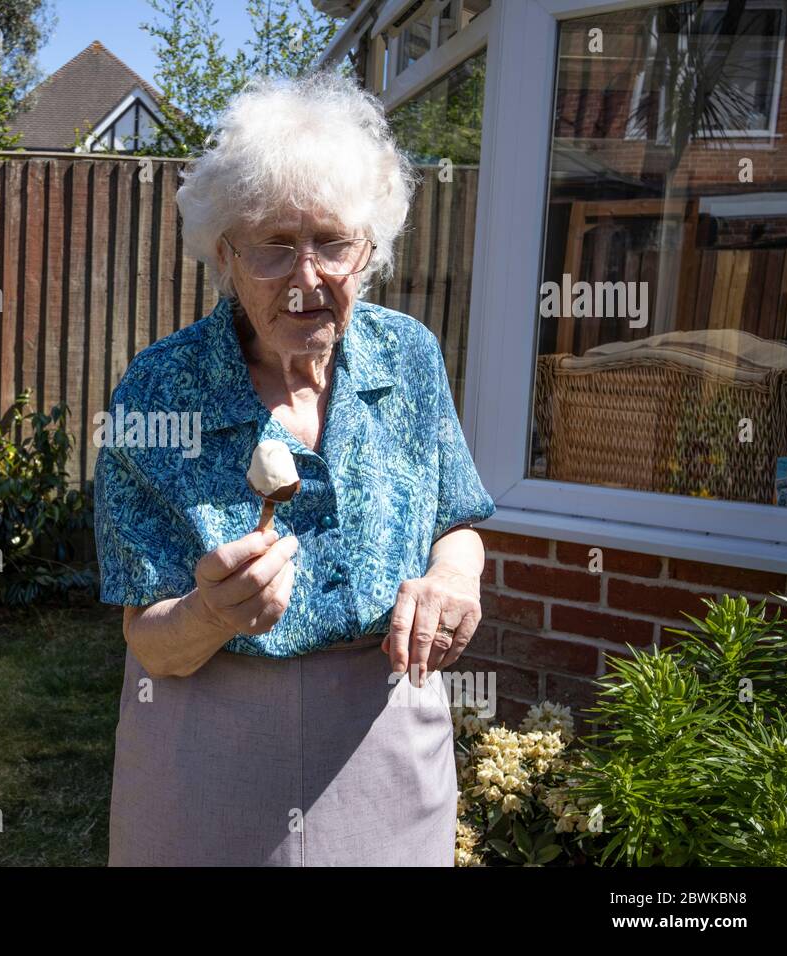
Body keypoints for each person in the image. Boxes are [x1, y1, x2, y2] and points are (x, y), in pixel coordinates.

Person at [94, 71, 496, 866]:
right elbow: (150, 641)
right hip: (207, 747)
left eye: (332, 243)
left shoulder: (408, 358)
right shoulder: (158, 391)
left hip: (385, 745)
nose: (308, 277)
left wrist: (453, 580)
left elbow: (455, 521)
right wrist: (210, 614)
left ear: (369, 249)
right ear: (225, 254)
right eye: (275, 246)